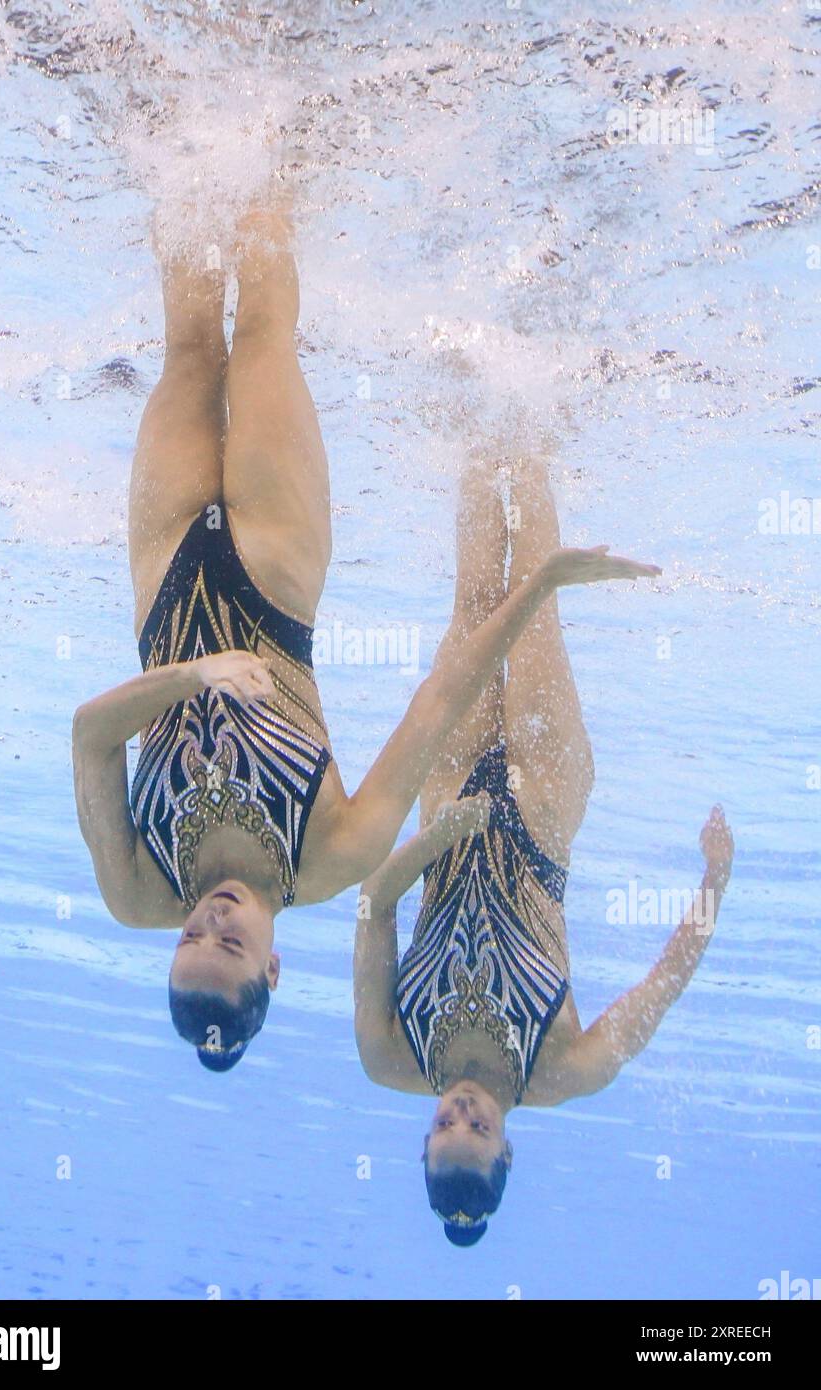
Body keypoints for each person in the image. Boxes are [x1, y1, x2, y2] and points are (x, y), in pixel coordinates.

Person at [73, 181, 661, 1071]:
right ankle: (283, 116)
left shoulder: (134, 888)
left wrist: (191, 676)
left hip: (163, 575)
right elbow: (435, 706)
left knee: (189, 342)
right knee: (263, 322)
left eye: (192, 935)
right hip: (276, 572)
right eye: (229, 944)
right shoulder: (336, 854)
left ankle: (188, 134)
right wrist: (539, 586)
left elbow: (89, 736)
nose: (211, 919)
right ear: (272, 966)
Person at [353, 450, 733, 1244]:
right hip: (544, 803)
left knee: (474, 602)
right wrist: (715, 881)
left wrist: (437, 838)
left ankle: (470, 411)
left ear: (424, 1140)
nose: (461, 1110)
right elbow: (663, 983)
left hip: (449, 790)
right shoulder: (566, 1070)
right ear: (508, 1149)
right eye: (479, 1130)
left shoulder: (390, 1055)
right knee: (537, 598)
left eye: (444, 1127)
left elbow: (373, 903)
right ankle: (532, 415)